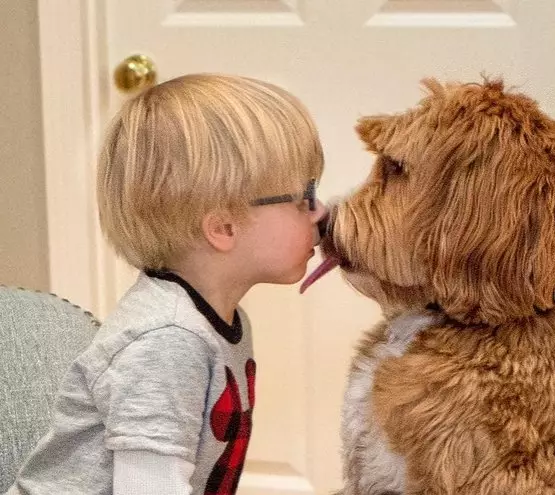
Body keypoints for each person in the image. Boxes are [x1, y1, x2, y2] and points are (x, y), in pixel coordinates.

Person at [6, 73, 327, 495]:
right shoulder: (168, 341)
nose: (321, 211)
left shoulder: (219, 320)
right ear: (224, 227)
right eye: (304, 197)